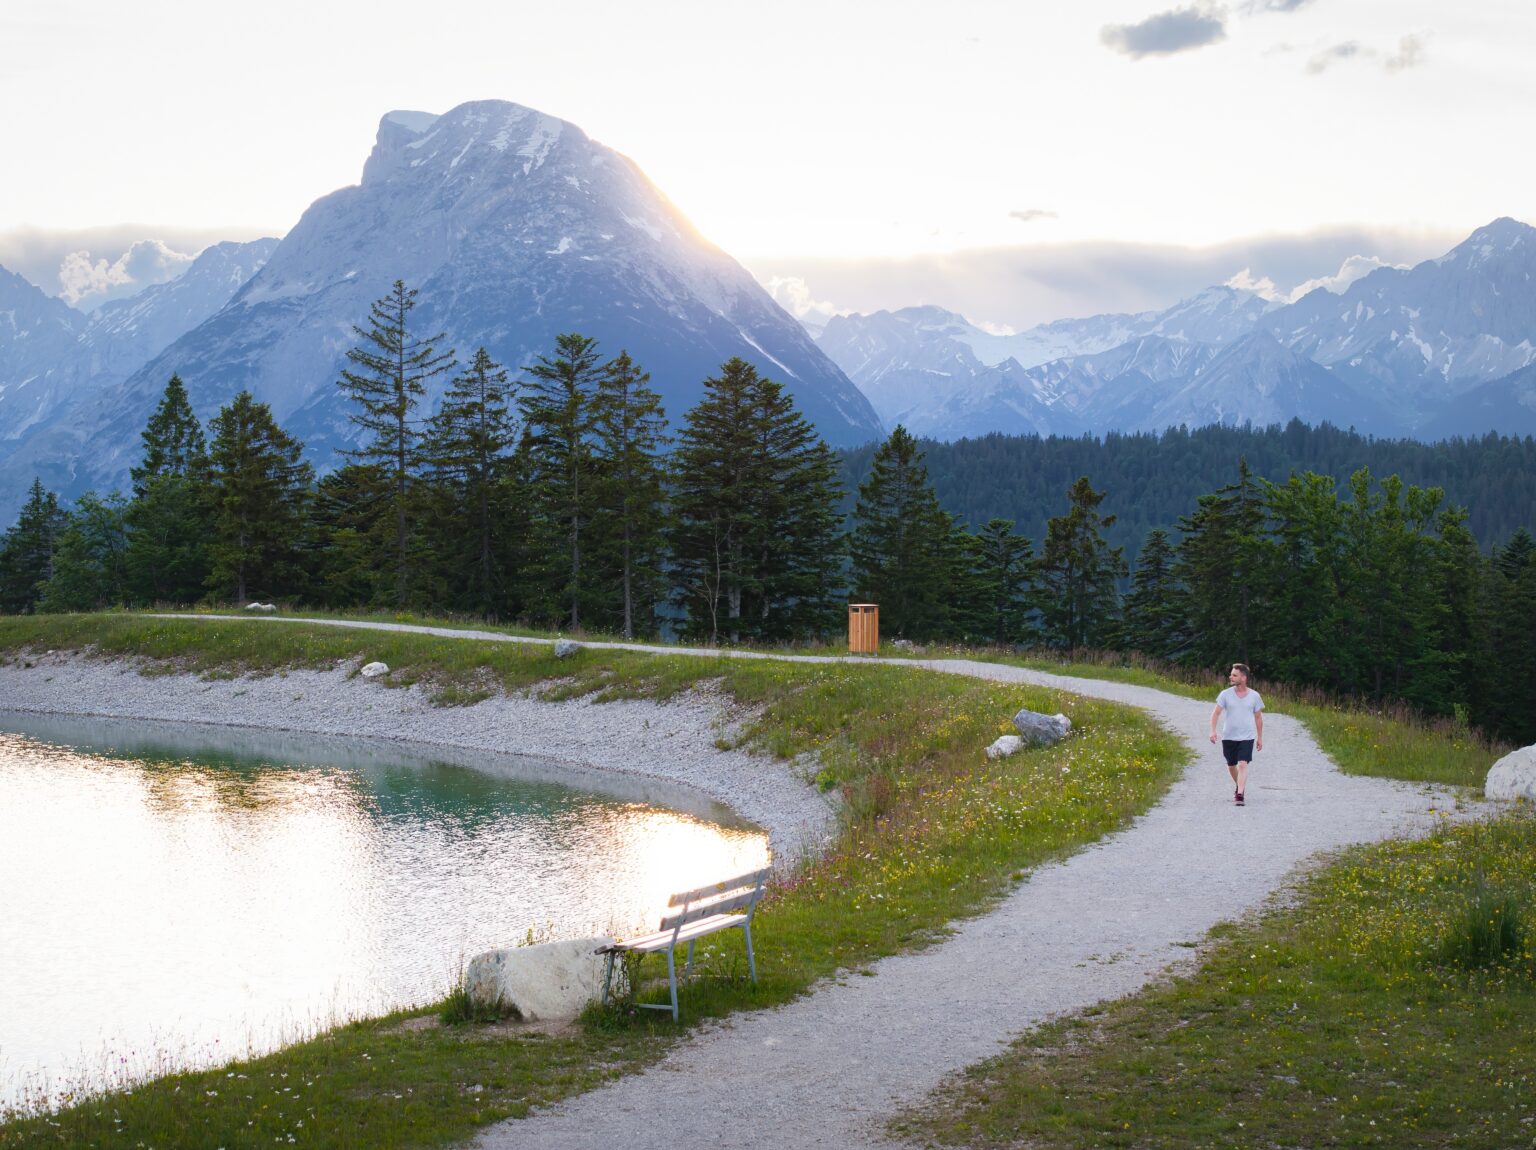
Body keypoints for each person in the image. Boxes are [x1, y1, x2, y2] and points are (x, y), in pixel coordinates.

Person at [1209, 663, 1263, 806]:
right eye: (1231, 674)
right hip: (1228, 736)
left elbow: (1258, 717)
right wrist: (1213, 731)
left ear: (1243, 677)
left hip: (1247, 736)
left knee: (1243, 763)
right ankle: (1240, 786)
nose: (1230, 677)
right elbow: (1216, 713)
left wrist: (1260, 738)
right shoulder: (1225, 694)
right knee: (1232, 765)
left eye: (1234, 675)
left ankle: (1240, 794)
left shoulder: (1254, 696)